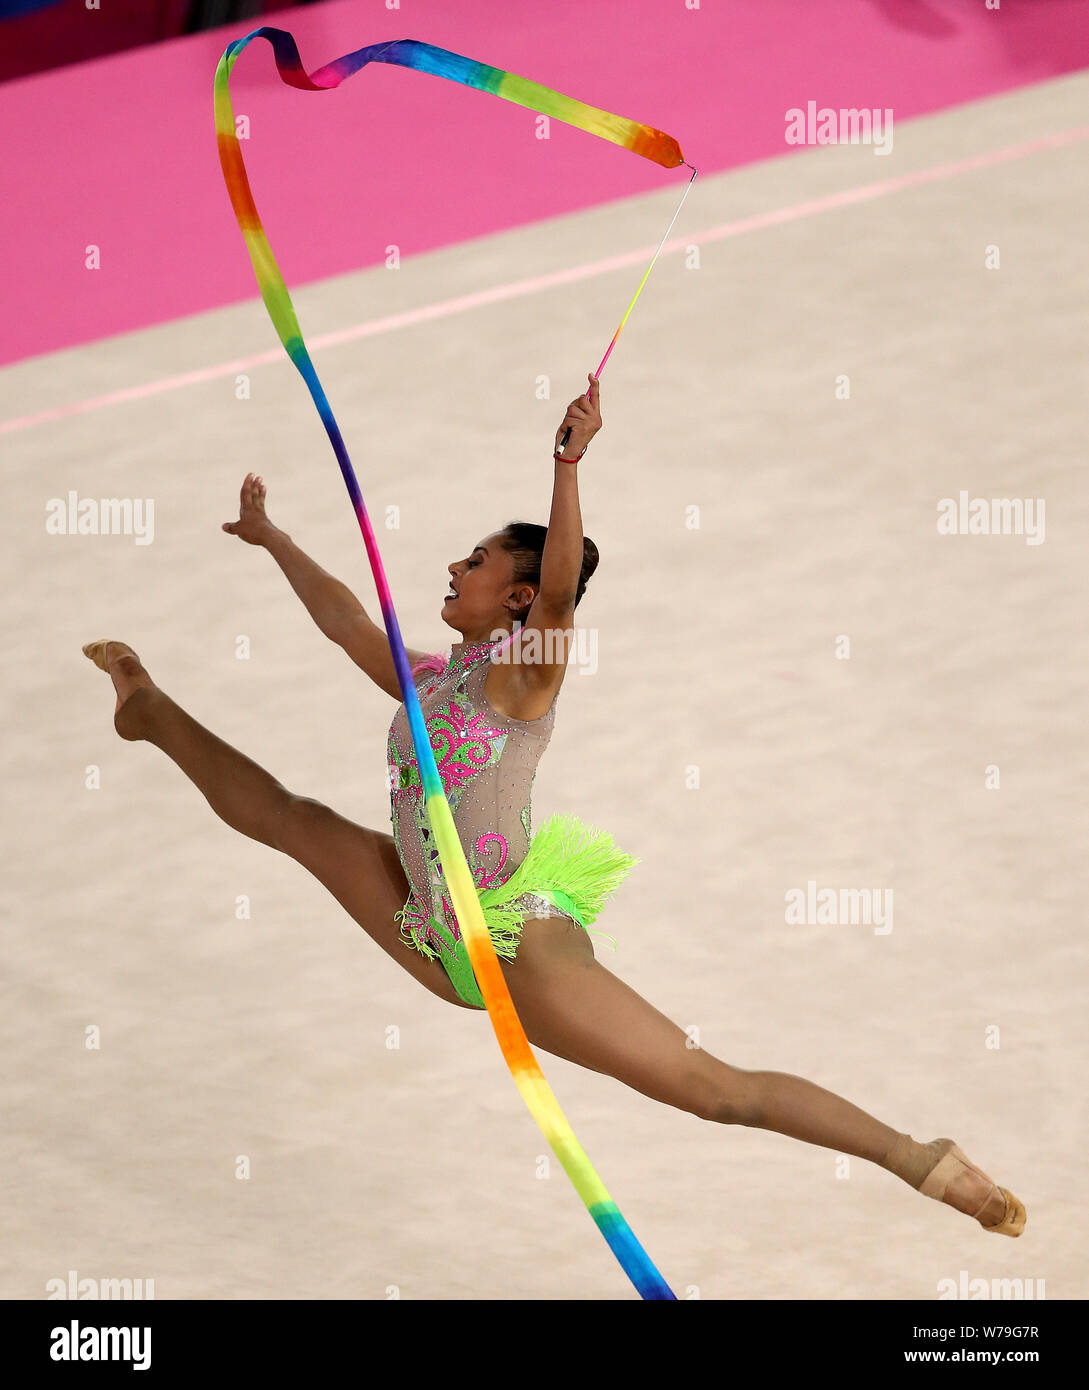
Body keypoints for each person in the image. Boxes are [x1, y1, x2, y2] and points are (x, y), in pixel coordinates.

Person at [83, 374, 1024, 1238]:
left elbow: (564, 599)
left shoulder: (522, 682)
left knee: (712, 1089)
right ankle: (151, 711)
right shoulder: (438, 682)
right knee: (296, 820)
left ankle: (917, 1159)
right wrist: (274, 539)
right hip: (433, 930)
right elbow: (345, 623)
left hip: (513, 942)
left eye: (480, 560)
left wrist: (566, 467)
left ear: (519, 597)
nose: (456, 565)